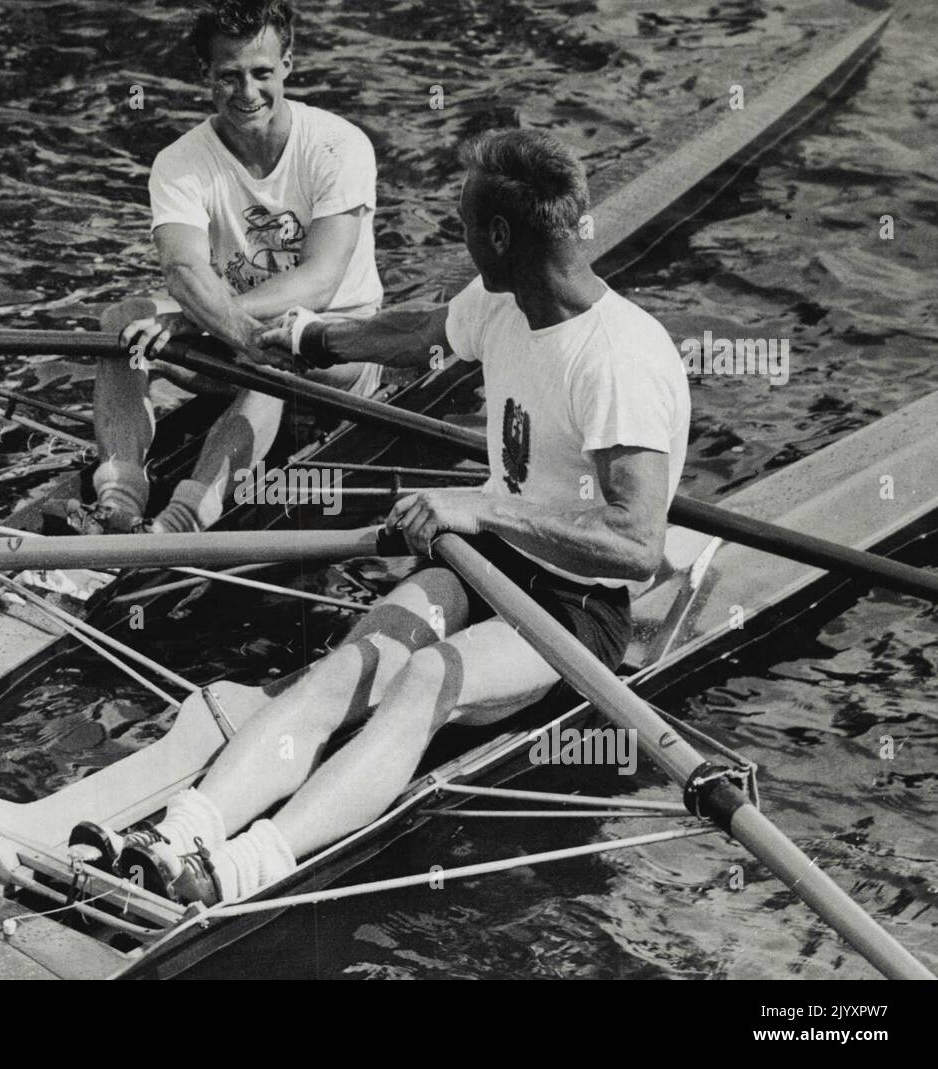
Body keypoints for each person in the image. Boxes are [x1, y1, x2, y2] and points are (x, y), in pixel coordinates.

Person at [72, 128, 691, 907]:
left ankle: (245, 867)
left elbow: (637, 544)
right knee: (356, 661)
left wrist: (479, 505)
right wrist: (304, 335)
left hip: (577, 605)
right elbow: (421, 332)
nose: (459, 242)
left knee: (426, 676)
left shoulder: (619, 359)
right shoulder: (507, 298)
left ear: (499, 236)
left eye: (464, 227)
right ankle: (182, 829)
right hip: (490, 562)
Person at [82, 0, 383, 536]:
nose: (247, 93)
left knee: (274, 350)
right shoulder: (180, 160)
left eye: (262, 73)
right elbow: (182, 268)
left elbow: (322, 278)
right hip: (237, 338)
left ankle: (181, 522)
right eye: (229, 76)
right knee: (122, 320)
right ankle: (119, 499)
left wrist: (215, 324)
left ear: (287, 64)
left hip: (337, 346)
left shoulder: (339, 145)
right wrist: (231, 328)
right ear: (205, 75)